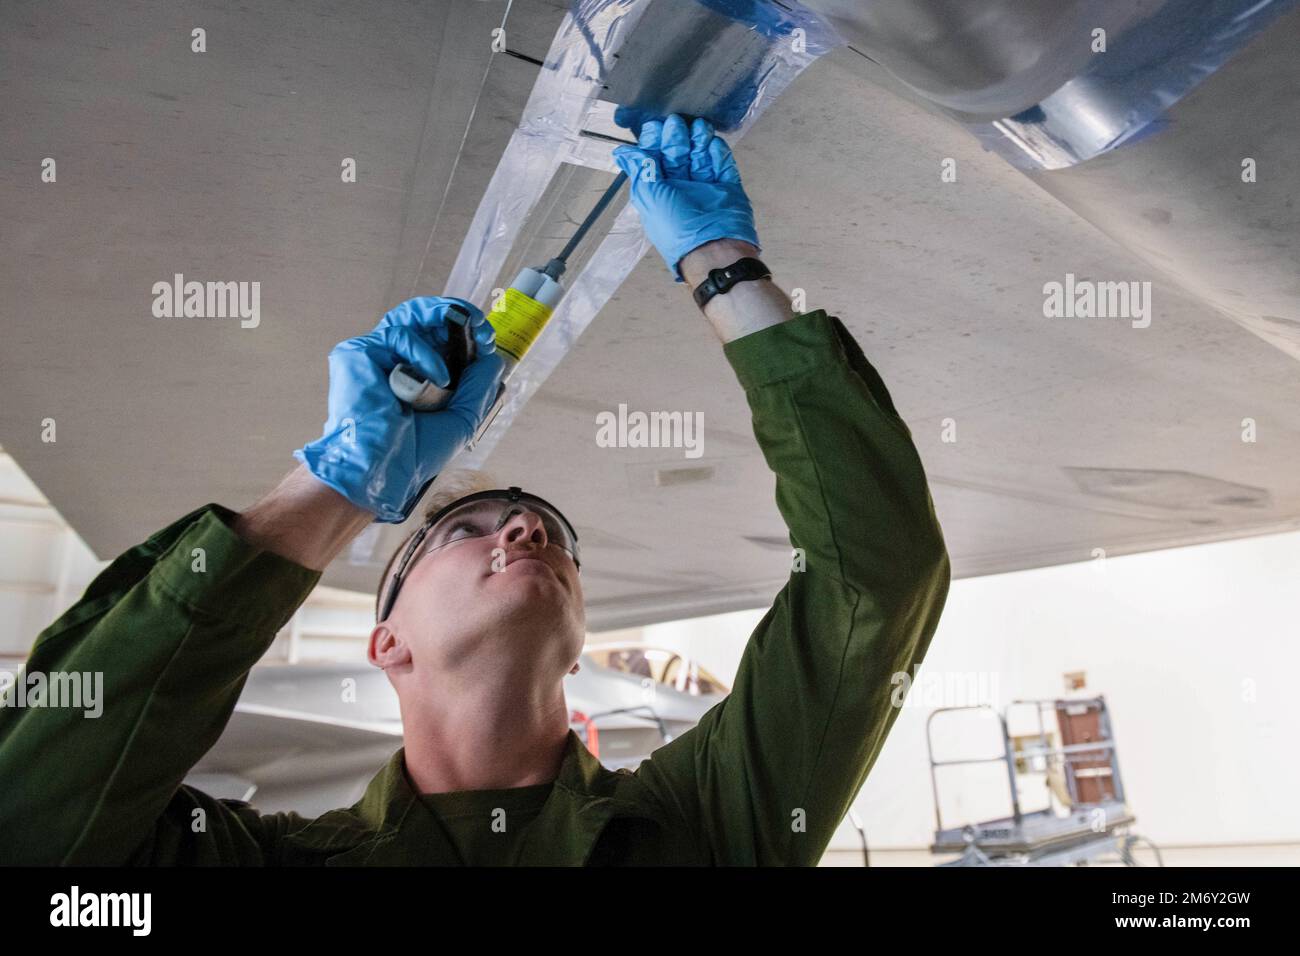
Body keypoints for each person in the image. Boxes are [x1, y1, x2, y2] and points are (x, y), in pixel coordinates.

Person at [0, 113, 949, 866]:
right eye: (461, 527)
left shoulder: (707, 818)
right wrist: (336, 481)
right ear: (385, 643)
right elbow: (33, 821)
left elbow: (877, 576)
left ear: (577, 645)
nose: (527, 525)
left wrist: (727, 271)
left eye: (544, 531)